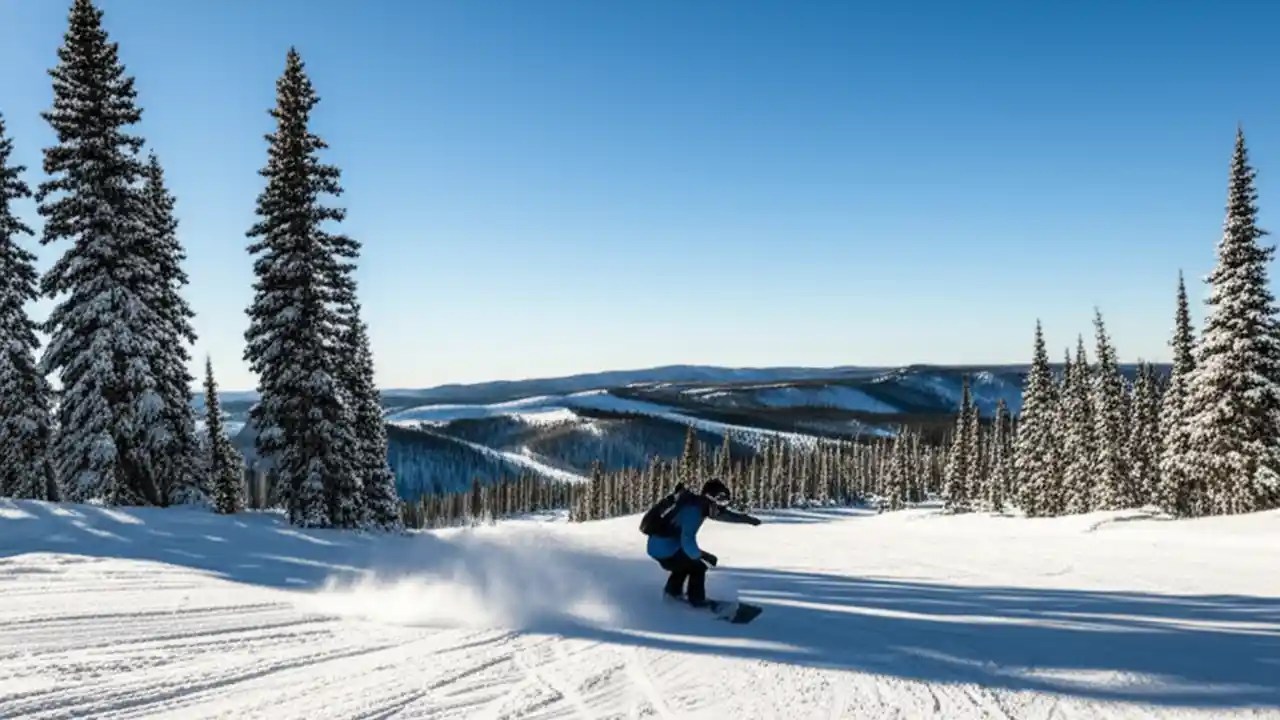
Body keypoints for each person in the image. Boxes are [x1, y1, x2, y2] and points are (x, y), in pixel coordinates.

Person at [646, 478, 761, 607]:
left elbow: (724, 515)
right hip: (664, 547)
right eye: (720, 500)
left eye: (724, 501)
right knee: (697, 567)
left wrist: (747, 520)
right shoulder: (694, 511)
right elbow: (687, 540)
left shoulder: (701, 506)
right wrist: (701, 556)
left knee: (683, 565)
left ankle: (672, 594)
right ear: (710, 498)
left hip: (659, 546)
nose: (722, 505)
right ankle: (696, 600)